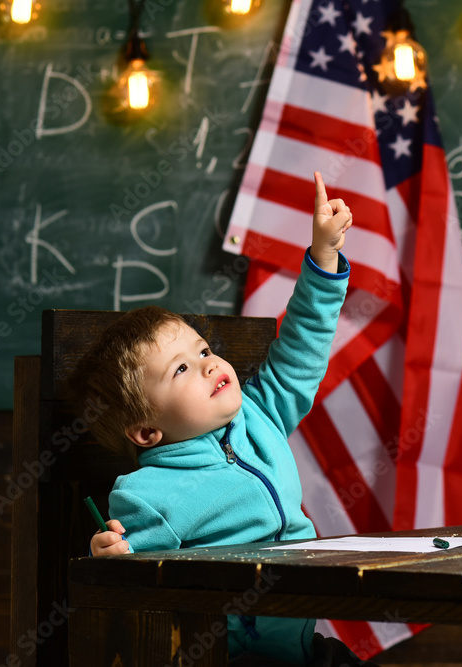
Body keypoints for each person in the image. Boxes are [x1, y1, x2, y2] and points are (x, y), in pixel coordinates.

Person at [77, 172, 374, 666]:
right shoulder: (148, 496)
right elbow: (128, 588)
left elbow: (302, 349)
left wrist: (323, 258)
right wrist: (108, 560)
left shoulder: (262, 414)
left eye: (204, 350)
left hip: (303, 649)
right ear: (148, 431)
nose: (210, 364)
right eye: (182, 369)